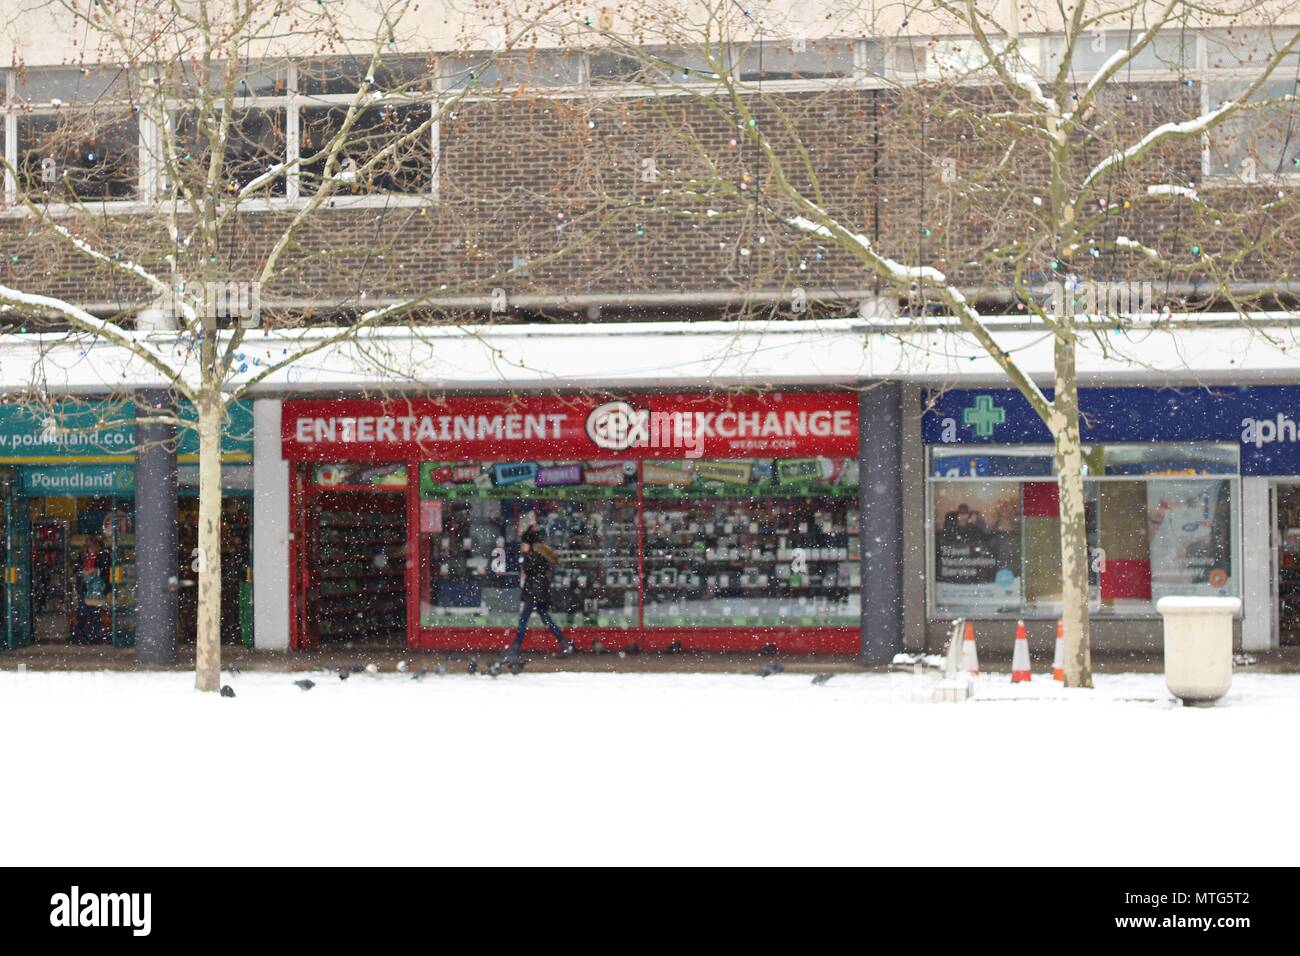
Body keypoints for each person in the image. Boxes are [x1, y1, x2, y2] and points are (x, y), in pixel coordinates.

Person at [504, 517, 574, 660]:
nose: (522, 546)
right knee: (546, 619)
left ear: (529, 544)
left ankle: (516, 648)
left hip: (533, 592)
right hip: (541, 591)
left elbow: (529, 570)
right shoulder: (542, 553)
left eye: (524, 544)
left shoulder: (533, 555)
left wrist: (524, 557)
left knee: (523, 620)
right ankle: (565, 644)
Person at [73, 538, 110, 645]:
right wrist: (82, 572)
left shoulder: (102, 557)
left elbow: (105, 571)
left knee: (94, 612)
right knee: (83, 612)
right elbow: (76, 570)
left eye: (94, 547)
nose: (92, 549)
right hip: (85, 588)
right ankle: (82, 635)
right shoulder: (83, 557)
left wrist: (95, 571)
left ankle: (93, 635)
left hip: (95, 588)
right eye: (90, 547)